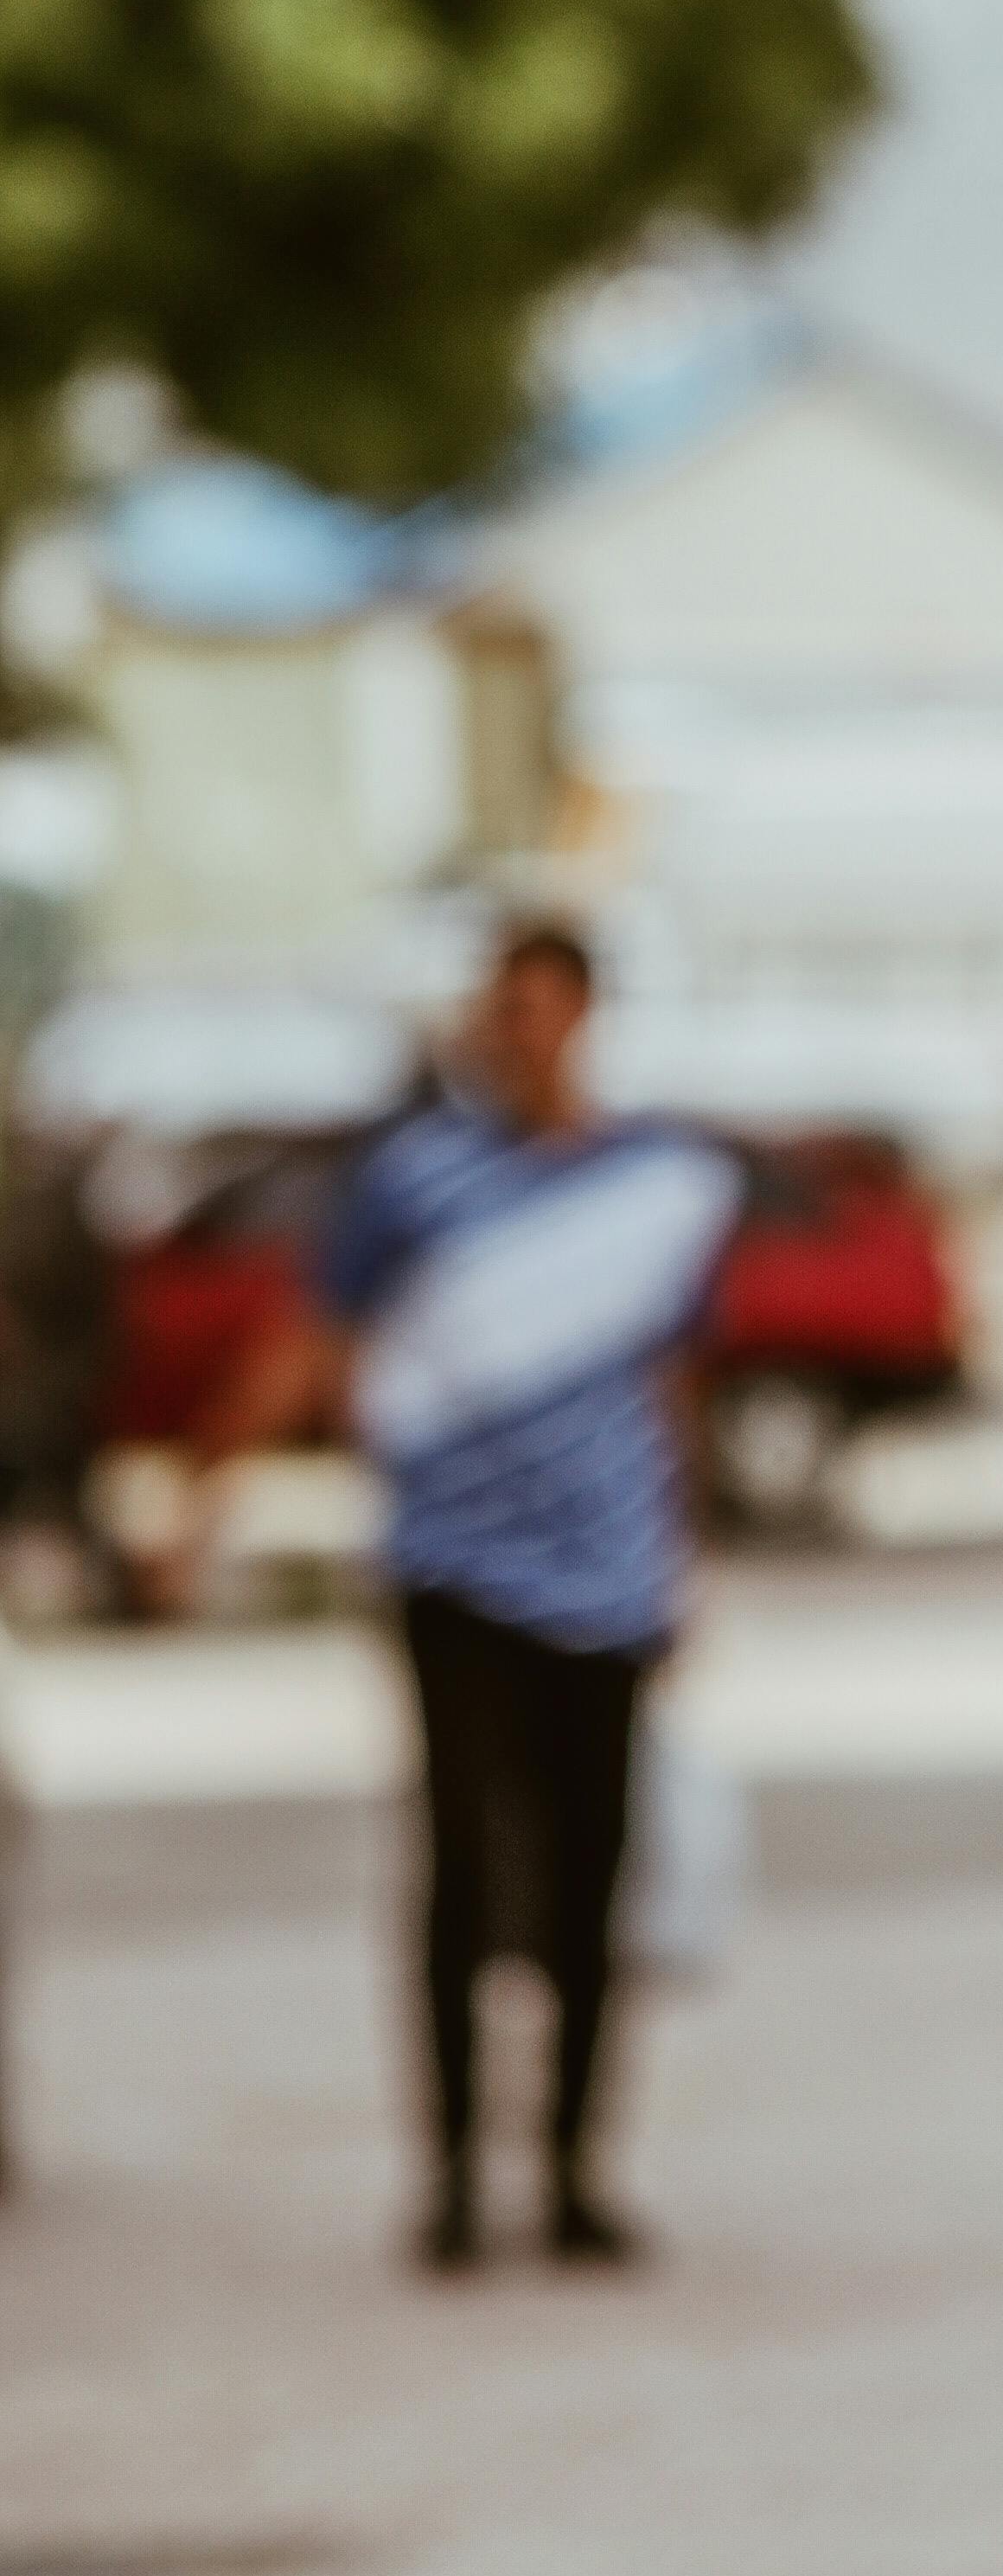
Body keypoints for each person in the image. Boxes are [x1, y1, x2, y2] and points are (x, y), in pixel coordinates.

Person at [195, 920, 740, 2273]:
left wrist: (680, 1550)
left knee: (589, 1872)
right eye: (504, 1009)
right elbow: (316, 1338)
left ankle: (570, 2170)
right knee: (455, 1867)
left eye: (543, 1008)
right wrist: (211, 1492)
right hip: (452, 1563)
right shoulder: (417, 1180)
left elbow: (671, 1383)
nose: (522, 1033)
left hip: (606, 1571)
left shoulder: (656, 1184)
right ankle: (448, 2178)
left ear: (586, 1015)